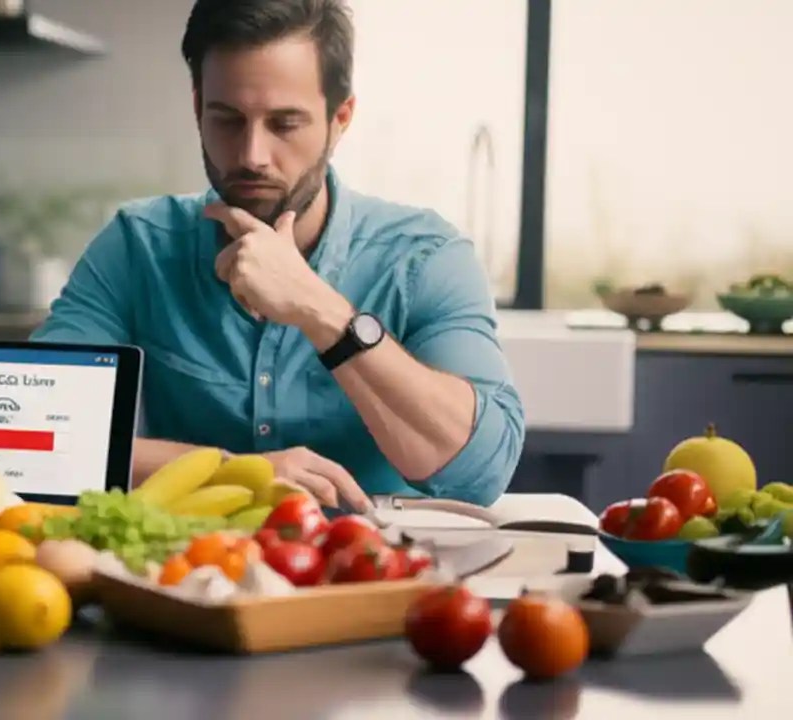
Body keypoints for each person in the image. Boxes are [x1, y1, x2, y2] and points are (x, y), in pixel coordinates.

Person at [30, 0, 524, 509]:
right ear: (198, 109)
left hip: (371, 556)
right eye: (228, 120)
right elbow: (25, 435)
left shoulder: (425, 259)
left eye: (285, 124)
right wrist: (235, 471)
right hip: (188, 555)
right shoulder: (138, 246)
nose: (252, 156)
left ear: (340, 118)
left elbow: (481, 472)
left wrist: (318, 309)